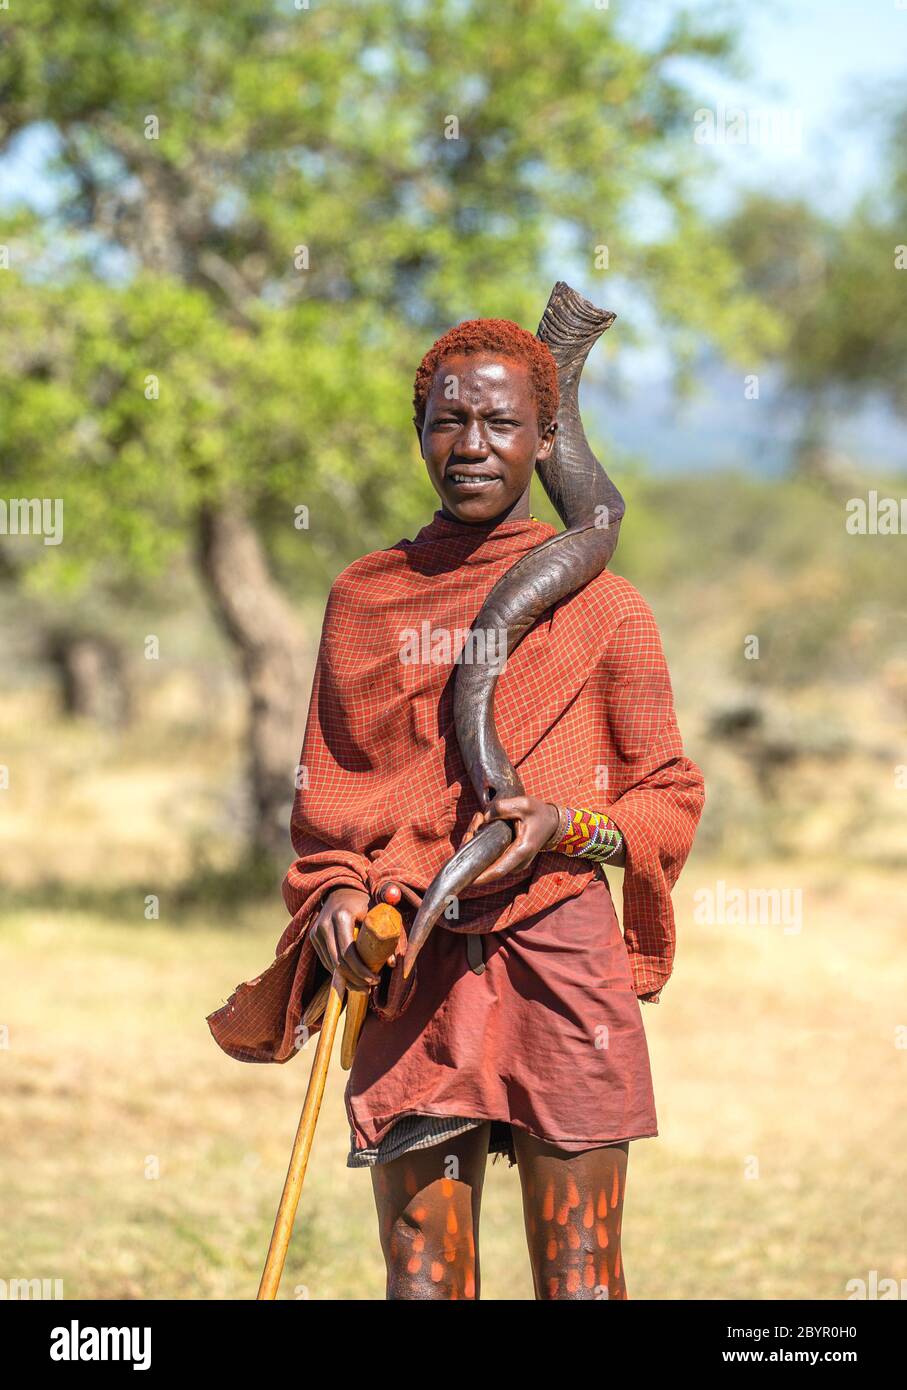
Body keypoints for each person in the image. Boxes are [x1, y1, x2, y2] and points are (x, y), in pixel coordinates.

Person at [208, 317, 705, 1301]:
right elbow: (332, 807)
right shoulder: (366, 597)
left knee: (583, 1279)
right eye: (448, 421)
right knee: (425, 1282)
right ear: (419, 429)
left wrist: (567, 827)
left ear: (543, 439)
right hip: (411, 961)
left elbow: (667, 797)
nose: (470, 447)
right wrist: (339, 903)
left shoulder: (605, 608)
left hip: (561, 959)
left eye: (501, 423)